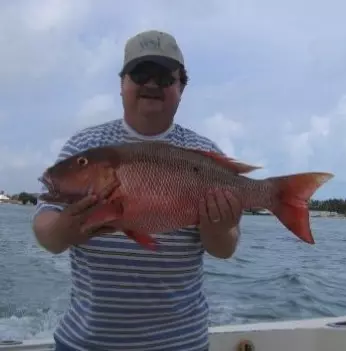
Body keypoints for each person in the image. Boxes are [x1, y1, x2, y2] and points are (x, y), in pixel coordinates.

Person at [32, 29, 242, 351]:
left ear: (181, 88)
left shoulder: (202, 152)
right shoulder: (85, 146)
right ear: (122, 84)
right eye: (141, 73)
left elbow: (224, 249)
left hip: (180, 344)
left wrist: (219, 227)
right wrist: (64, 230)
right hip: (86, 344)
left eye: (164, 77)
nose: (152, 84)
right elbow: (45, 232)